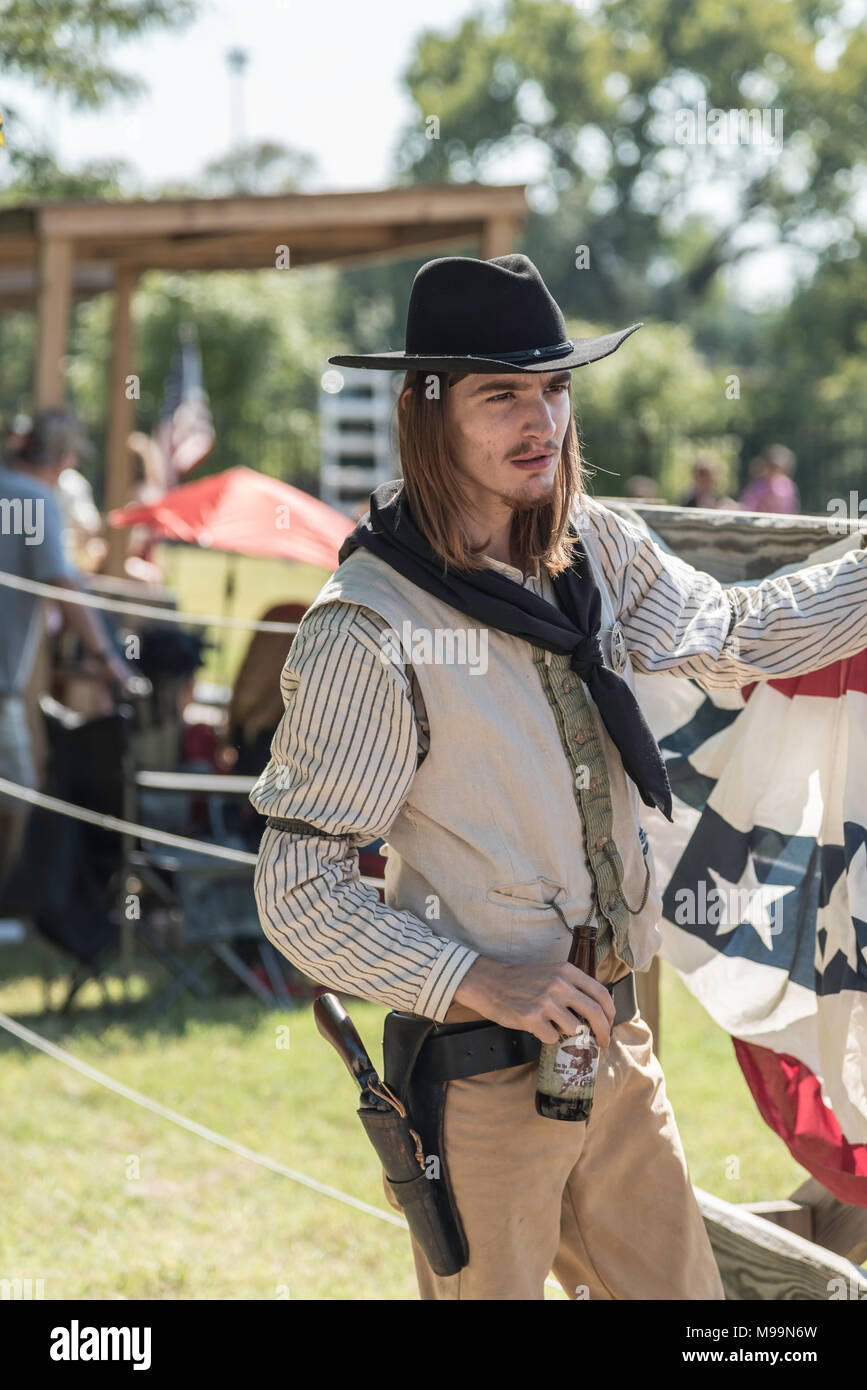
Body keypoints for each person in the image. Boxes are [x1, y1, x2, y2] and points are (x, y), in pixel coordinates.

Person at [249, 253, 867, 1301]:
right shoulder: (372, 625)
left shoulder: (596, 554)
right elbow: (296, 888)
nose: (542, 420)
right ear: (427, 413)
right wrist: (480, 979)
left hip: (613, 1052)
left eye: (555, 389)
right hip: (476, 1078)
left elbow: (740, 632)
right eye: (503, 396)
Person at [0, 407, 133, 891]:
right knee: (17, 795)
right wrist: (106, 657)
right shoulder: (35, 499)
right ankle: (5, 904)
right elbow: (65, 584)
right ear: (59, 456)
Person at [738, 443, 801, 514]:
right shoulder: (759, 485)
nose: (773, 470)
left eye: (776, 467)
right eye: (771, 466)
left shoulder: (787, 486)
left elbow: (791, 510)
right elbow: (748, 505)